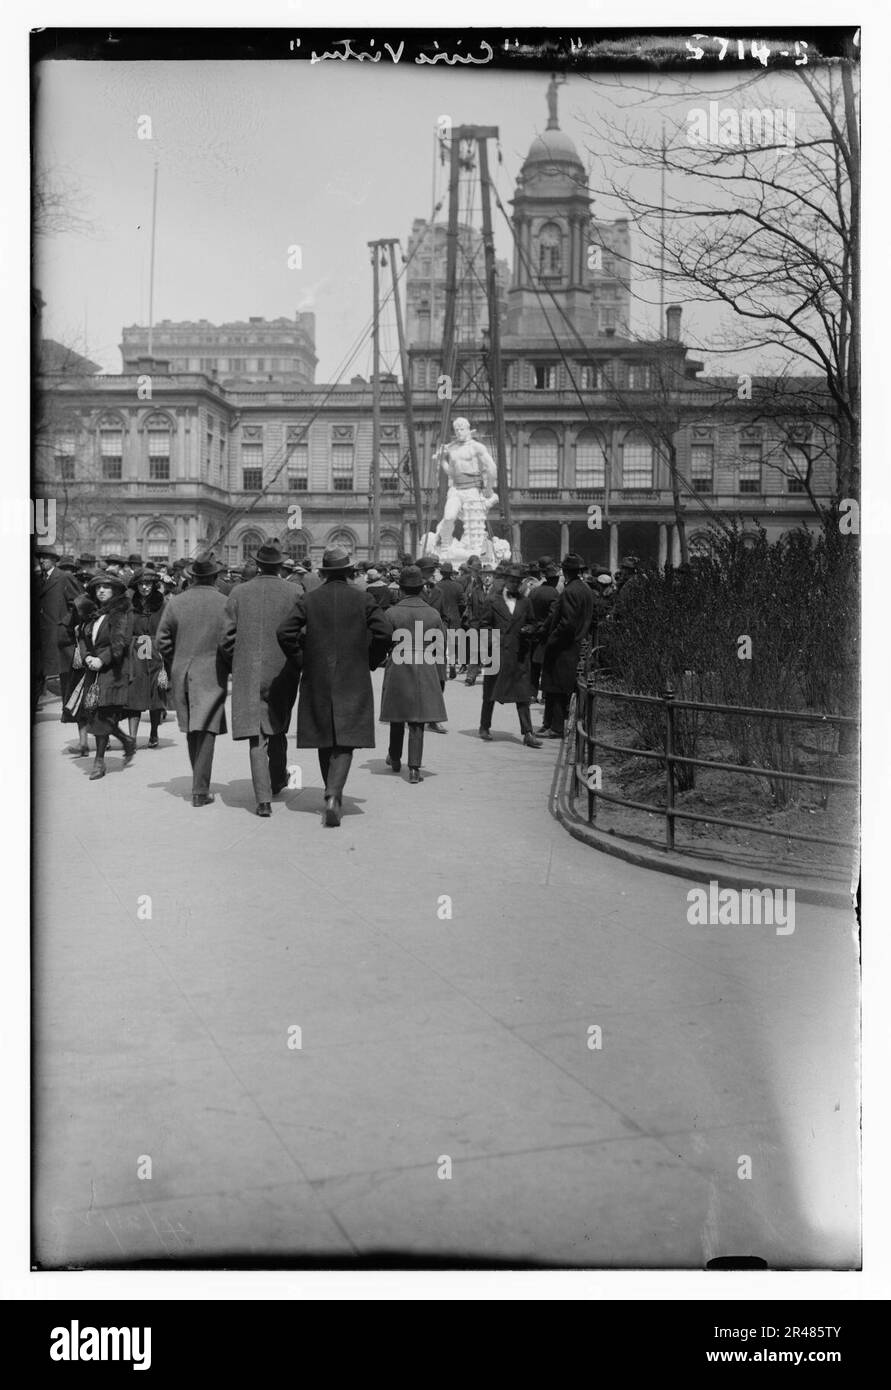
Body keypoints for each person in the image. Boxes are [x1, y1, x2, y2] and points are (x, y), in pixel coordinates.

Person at [276, 546, 390, 827]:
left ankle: (332, 793)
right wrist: (370, 659)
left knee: (323, 735)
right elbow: (385, 632)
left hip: (317, 676)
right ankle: (333, 794)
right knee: (346, 738)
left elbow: (284, 632)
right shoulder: (362, 599)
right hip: (353, 677)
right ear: (349, 571)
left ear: (325, 573)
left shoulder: (310, 599)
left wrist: (303, 659)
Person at [218, 543, 301, 818]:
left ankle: (262, 799)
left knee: (256, 735)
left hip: (249, 669)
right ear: (281, 566)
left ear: (258, 565)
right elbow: (302, 633)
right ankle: (277, 779)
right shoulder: (295, 591)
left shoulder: (238, 592)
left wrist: (237, 662)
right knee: (278, 723)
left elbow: (226, 638)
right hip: (283, 669)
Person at [156, 553, 229, 807]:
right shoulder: (225, 602)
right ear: (214, 576)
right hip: (211, 673)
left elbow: (161, 640)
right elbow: (230, 641)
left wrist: (177, 658)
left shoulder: (176, 602)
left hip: (182, 671)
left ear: (193, 576)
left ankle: (198, 783)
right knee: (207, 729)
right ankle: (200, 789)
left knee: (191, 729)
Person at [379, 566, 448, 784]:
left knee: (398, 714)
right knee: (417, 719)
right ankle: (414, 768)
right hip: (425, 664)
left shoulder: (391, 613)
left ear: (400, 589)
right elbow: (441, 645)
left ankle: (395, 757)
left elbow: (382, 641)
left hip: (399, 664)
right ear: (421, 588)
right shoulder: (433, 614)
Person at [79, 572, 139, 780]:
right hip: (93, 671)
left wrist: (101, 660)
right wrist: (87, 656)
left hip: (113, 671)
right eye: (98, 588)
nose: (101, 590)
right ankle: (126, 741)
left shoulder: (121, 611)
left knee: (102, 716)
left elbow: (120, 643)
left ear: (115, 590)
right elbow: (83, 638)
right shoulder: (94, 613)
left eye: (106, 587)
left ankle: (99, 762)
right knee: (95, 714)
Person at [477, 563, 542, 747]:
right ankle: (484, 726)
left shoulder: (525, 602)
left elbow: (533, 622)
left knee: (522, 695)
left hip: (518, 654)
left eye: (518, 581)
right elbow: (483, 626)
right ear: (505, 580)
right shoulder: (492, 600)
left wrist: (529, 629)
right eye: (512, 580)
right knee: (490, 692)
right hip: (497, 655)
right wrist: (493, 642)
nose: (514, 584)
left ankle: (528, 733)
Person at [540, 553, 595, 739]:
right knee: (564, 686)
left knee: (556, 686)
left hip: (565, 645)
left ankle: (555, 727)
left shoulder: (571, 591)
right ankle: (551, 724)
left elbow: (568, 623)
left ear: (565, 571)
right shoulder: (586, 589)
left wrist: (552, 639)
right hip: (578, 642)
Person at [434, 417, 498, 555]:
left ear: (468, 430)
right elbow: (452, 472)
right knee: (449, 517)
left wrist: (489, 488)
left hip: (472, 489)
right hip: (456, 489)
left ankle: (474, 551)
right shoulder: (453, 448)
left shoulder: (477, 447)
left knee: (472, 525)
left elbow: (492, 468)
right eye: (456, 430)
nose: (459, 432)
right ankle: (445, 547)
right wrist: (441, 461)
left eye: (462, 429)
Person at [128, 569, 170, 748]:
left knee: (155, 694)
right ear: (136, 586)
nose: (144, 587)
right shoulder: (130, 604)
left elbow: (169, 627)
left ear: (154, 585)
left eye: (148, 584)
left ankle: (154, 732)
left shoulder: (163, 603)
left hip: (156, 652)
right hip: (135, 651)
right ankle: (132, 738)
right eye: (141, 584)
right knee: (134, 694)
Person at [35, 546, 81, 699]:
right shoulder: (36, 579)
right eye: (40, 557)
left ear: (54, 560)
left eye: (46, 557)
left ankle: (67, 706)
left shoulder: (63, 577)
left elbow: (78, 602)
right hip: (39, 634)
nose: (41, 560)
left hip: (58, 633)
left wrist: (65, 622)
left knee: (63, 671)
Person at [60, 592, 98, 757]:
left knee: (94, 704)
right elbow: (65, 631)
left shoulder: (99, 618)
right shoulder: (78, 610)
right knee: (79, 705)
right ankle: (83, 743)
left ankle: (102, 740)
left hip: (93, 663)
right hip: (79, 664)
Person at [528, 563, 560, 712]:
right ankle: (545, 694)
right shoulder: (554, 593)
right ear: (553, 579)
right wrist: (545, 627)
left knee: (533, 665)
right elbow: (553, 615)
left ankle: (532, 694)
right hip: (546, 634)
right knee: (547, 665)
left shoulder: (534, 591)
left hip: (533, 632)